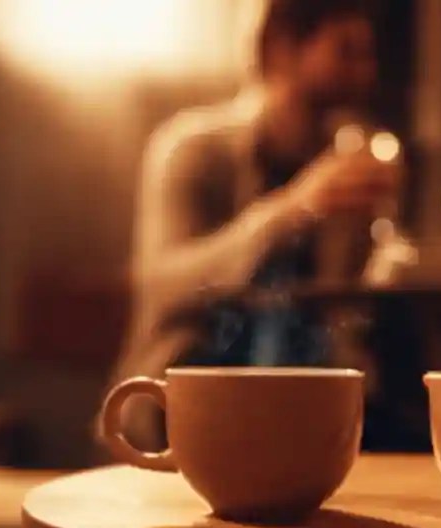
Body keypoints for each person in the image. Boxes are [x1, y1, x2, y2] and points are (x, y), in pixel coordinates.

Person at [112, 0, 396, 418]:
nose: (365, 72)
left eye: (367, 55)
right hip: (185, 399)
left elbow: (347, 308)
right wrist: (293, 209)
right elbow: (161, 284)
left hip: (311, 403)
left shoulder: (348, 152)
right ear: (281, 49)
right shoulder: (193, 149)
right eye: (346, 52)